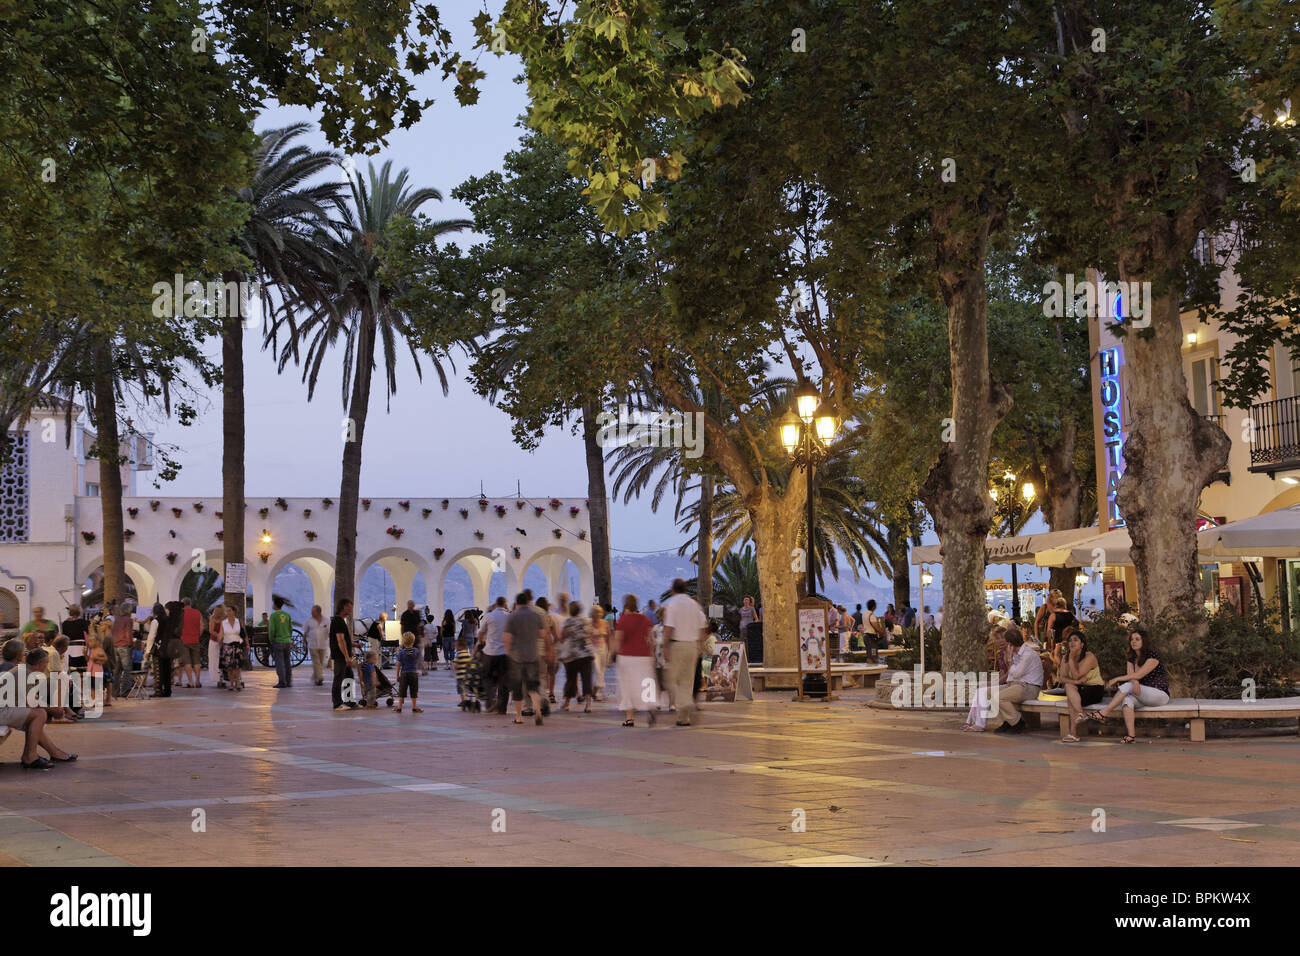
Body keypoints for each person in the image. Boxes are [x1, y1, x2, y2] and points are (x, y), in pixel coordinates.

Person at [1085, 626, 1171, 743]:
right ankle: (1131, 736)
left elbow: (1139, 675)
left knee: (1128, 687)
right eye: (1132, 639)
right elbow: (1133, 678)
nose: (1134, 642)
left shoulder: (1152, 656)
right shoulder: (1131, 659)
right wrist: (1134, 682)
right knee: (1127, 701)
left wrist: (1117, 679)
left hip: (1159, 695)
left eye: (1137, 639)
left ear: (1143, 641)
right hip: (1141, 694)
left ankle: (1104, 712)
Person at [0, 639, 77, 769]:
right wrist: (53, 710)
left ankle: (53, 752)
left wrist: (52, 708)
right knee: (39, 715)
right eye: (46, 664)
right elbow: (31, 703)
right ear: (39, 664)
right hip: (2, 710)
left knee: (36, 719)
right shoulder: (27, 673)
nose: (47, 667)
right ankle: (30, 757)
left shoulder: (24, 670)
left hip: (4, 709)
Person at [662, 578, 707, 727]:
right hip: (692, 646)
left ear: (673, 589)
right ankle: (684, 717)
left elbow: (669, 628)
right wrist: (700, 646)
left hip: (677, 645)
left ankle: (684, 702)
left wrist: (664, 646)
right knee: (687, 681)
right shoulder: (694, 605)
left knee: (670, 679)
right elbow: (702, 628)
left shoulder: (673, 604)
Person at [613, 594, 658, 727]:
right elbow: (652, 640)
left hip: (627, 657)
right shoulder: (645, 619)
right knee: (645, 684)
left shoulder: (623, 620)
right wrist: (652, 655)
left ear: (625, 605)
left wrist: (612, 655)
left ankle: (630, 718)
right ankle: (650, 707)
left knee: (627, 687)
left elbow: (618, 640)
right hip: (644, 657)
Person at [990, 626, 1043, 734]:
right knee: (989, 693)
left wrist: (1009, 660)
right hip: (1016, 685)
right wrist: (1008, 656)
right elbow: (1011, 675)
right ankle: (1007, 721)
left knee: (998, 698)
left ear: (1010, 644)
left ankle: (1017, 722)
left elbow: (1016, 673)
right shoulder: (1015, 653)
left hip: (1029, 687)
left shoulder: (1027, 654)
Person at [504, 592, 544, 725]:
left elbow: (507, 638)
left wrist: (509, 653)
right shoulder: (536, 615)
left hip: (517, 657)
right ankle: (538, 711)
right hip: (533, 655)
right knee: (533, 686)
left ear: (517, 603)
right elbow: (543, 634)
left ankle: (519, 717)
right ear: (527, 602)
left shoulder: (512, 617)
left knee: (517, 688)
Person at [1058, 627, 1104, 742]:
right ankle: (1081, 713)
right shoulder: (1066, 657)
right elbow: (1062, 678)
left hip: (1094, 689)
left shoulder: (1089, 657)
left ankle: (1073, 733)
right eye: (1070, 640)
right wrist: (1075, 682)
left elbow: (1076, 675)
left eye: (1075, 640)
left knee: (1071, 698)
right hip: (1078, 688)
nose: (1072, 642)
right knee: (1069, 688)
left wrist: (1072, 659)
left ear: (1082, 644)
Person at [476, 596, 511, 714]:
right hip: (505, 653)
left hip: (490, 652)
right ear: (505, 604)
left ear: (496, 604)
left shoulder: (489, 616)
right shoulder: (509, 616)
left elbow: (480, 634)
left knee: (487, 677)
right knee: (504, 681)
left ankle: (491, 700)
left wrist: (482, 642)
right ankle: (502, 709)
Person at [558, 601, 594, 713]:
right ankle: (588, 705)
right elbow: (590, 634)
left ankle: (567, 704)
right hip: (587, 654)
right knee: (586, 679)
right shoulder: (586, 621)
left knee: (571, 679)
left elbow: (562, 636)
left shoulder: (568, 621)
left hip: (573, 656)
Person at [330, 599, 357, 710]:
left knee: (349, 677)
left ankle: (349, 701)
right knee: (338, 678)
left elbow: (344, 639)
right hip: (340, 656)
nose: (350, 610)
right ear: (343, 607)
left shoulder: (341, 621)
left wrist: (354, 645)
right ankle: (337, 704)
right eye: (349, 607)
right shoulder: (338, 621)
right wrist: (346, 657)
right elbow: (340, 640)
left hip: (343, 655)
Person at [268, 596, 294, 688]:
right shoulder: (287, 615)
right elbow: (290, 628)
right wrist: (289, 638)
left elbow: (272, 630)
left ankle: (282, 682)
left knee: (279, 663)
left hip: (278, 641)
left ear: (275, 604)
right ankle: (288, 681)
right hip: (287, 641)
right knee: (287, 662)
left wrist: (271, 639)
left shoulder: (273, 616)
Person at [111, 603, 136, 699]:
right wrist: (131, 644)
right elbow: (128, 633)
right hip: (124, 645)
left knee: (116, 670)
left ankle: (114, 692)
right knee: (127, 670)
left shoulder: (117, 620)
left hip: (115, 646)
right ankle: (125, 692)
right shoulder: (128, 620)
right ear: (128, 610)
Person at [394, 632, 423, 713]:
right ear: (413, 641)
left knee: (402, 691)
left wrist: (397, 675)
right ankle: (414, 707)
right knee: (414, 691)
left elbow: (398, 665)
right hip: (414, 673)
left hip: (404, 674)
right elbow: (419, 661)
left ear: (403, 642)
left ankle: (399, 708)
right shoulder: (416, 651)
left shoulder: (401, 652)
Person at [221, 605, 247, 692]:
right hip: (227, 646)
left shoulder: (238, 621)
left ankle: (238, 682)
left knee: (238, 665)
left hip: (237, 645)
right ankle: (231, 684)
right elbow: (221, 634)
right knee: (229, 667)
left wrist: (247, 644)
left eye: (229, 610)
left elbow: (243, 634)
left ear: (234, 612)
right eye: (227, 611)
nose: (228, 612)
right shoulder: (223, 623)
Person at [303, 605, 330, 685]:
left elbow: (330, 632)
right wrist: (303, 643)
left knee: (320, 662)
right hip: (312, 645)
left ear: (318, 612)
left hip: (323, 644)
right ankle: (319, 678)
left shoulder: (327, 620)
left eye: (313, 611)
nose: (311, 613)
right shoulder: (309, 621)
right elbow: (305, 632)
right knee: (316, 662)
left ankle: (316, 676)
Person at [588, 604, 609, 702]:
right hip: (593, 649)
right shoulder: (589, 623)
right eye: (596, 612)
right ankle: (596, 690)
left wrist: (610, 650)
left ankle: (594, 692)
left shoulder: (605, 623)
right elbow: (586, 637)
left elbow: (608, 637)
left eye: (599, 612)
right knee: (597, 670)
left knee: (602, 670)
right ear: (592, 614)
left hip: (603, 648)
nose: (598, 614)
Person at [61, 606, 89, 674]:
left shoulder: (64, 623)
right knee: (82, 668)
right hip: (80, 647)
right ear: (79, 612)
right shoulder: (83, 622)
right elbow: (89, 633)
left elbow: (63, 635)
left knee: (71, 668)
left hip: (69, 648)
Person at [400, 601, 425, 676]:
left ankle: (417, 669)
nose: (411, 606)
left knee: (417, 652)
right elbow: (402, 626)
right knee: (407, 652)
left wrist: (420, 635)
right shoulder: (405, 614)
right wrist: (403, 636)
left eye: (412, 605)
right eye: (410, 605)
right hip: (407, 635)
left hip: (416, 636)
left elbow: (419, 625)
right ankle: (408, 669)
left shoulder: (416, 614)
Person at [208, 605, 225, 688]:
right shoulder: (212, 618)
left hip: (221, 641)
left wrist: (221, 638)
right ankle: (216, 678)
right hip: (214, 641)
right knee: (214, 660)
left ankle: (221, 678)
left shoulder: (223, 619)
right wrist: (219, 636)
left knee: (220, 660)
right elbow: (211, 630)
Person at [454, 638, 473, 708]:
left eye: (456, 646)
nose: (455, 647)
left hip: (461, 676)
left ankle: (463, 701)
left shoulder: (459, 654)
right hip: (468, 675)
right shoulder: (468, 654)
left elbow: (456, 665)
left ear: (460, 646)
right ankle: (468, 700)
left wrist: (455, 669)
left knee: (461, 689)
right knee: (467, 688)